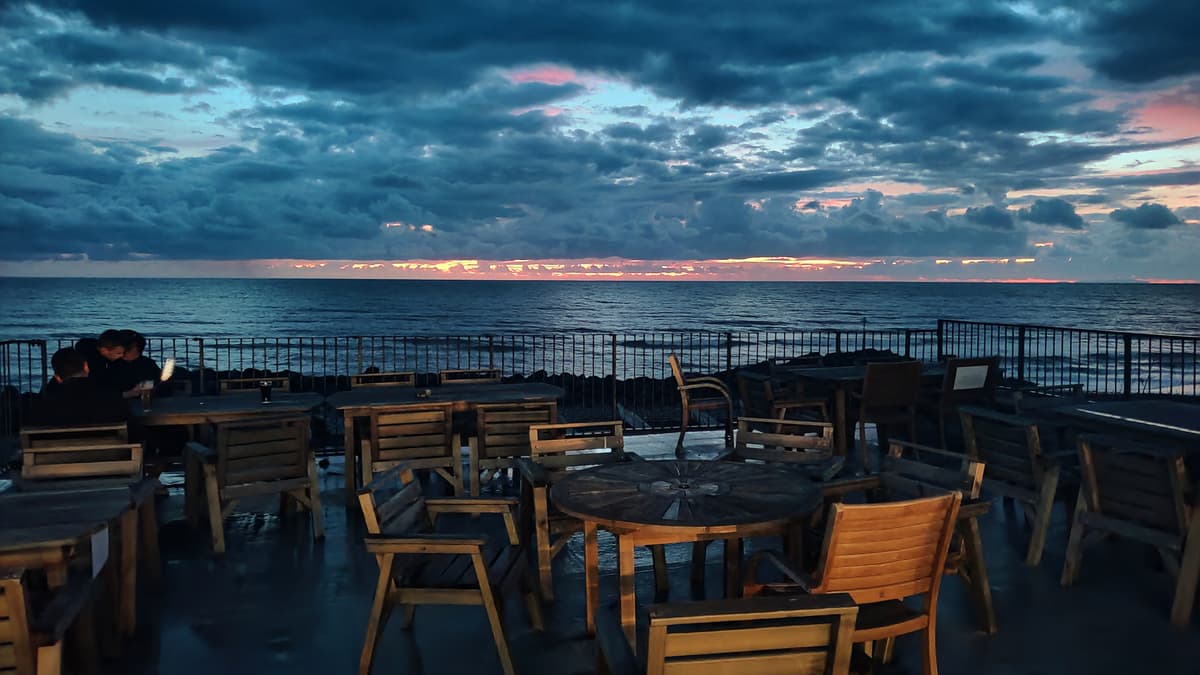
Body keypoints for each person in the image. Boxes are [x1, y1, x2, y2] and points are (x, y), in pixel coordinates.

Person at [28, 347, 129, 427]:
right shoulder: (111, 397)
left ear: (57, 378)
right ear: (86, 367)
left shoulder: (45, 405)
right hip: (111, 452)